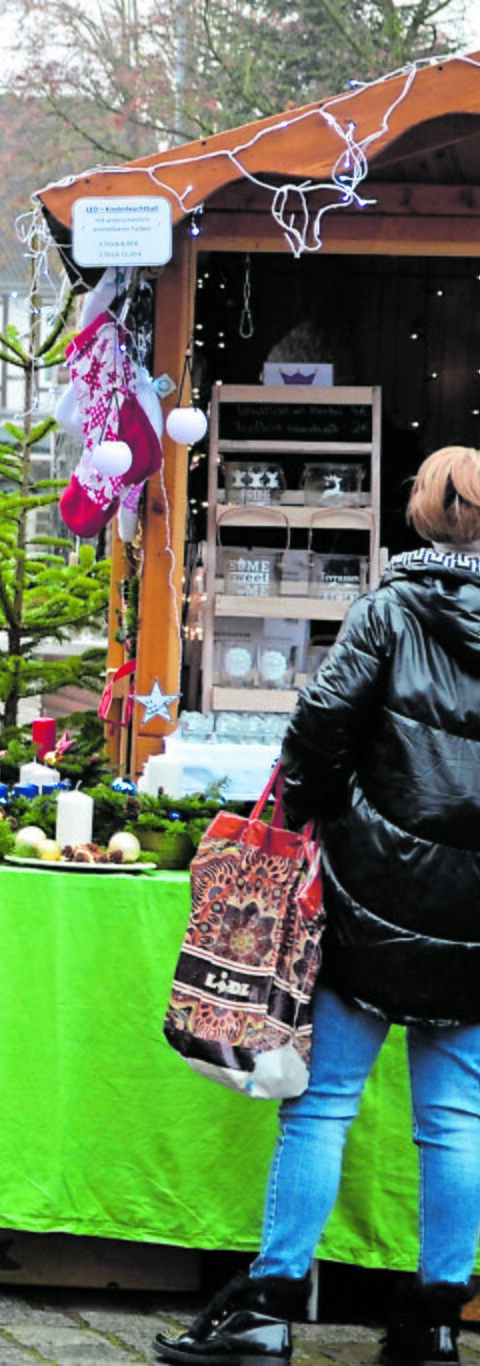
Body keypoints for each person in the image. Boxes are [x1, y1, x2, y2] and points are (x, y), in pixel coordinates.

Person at [155, 446, 480, 1366]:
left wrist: (331, 814)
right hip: (476, 917)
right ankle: (437, 1325)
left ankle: (266, 1309)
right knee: (457, 1122)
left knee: (322, 1105)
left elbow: (315, 736)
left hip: (367, 896)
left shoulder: (386, 611)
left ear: (419, 514)